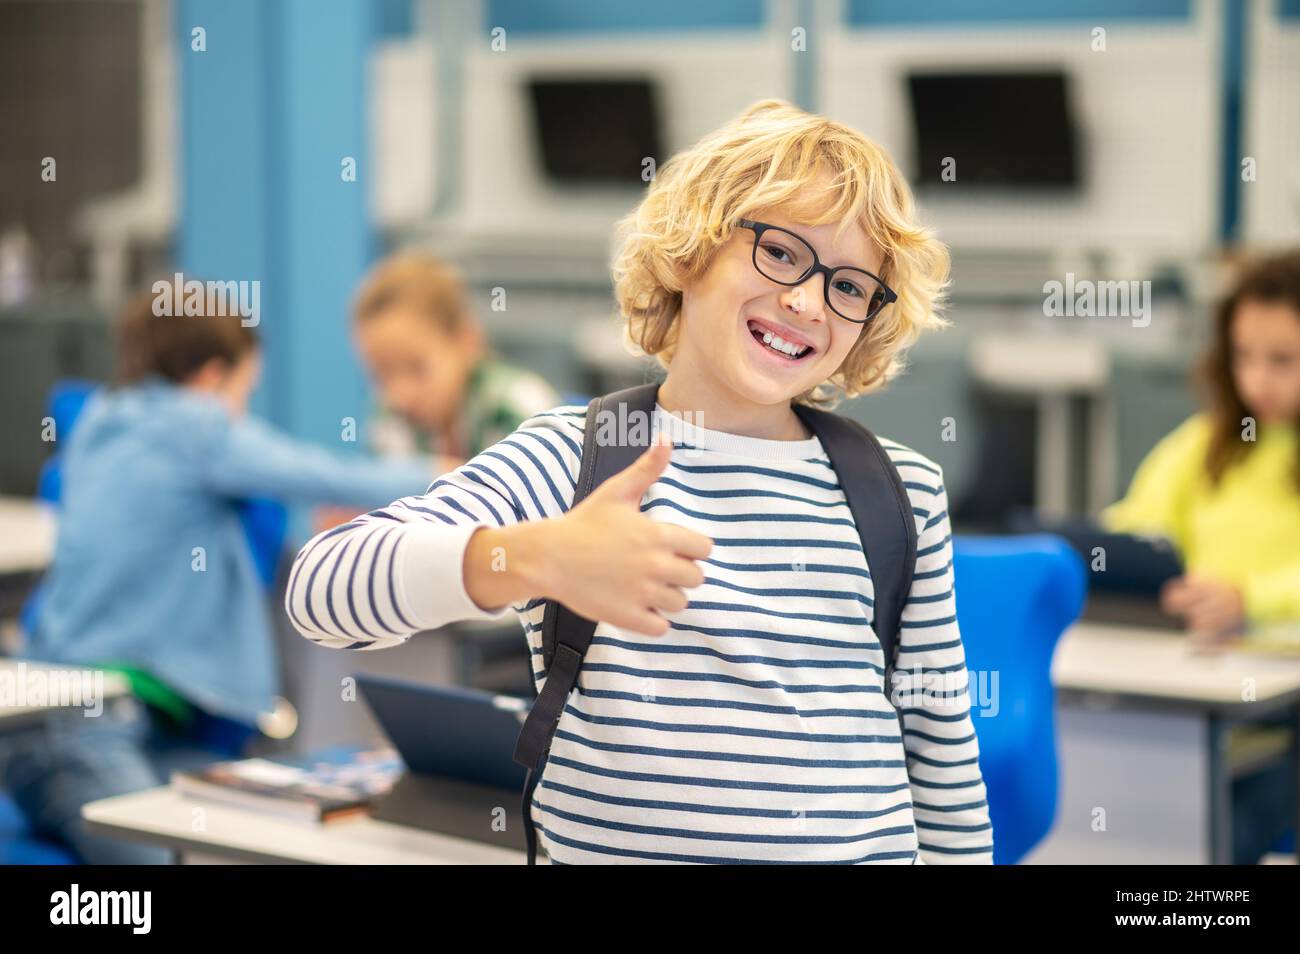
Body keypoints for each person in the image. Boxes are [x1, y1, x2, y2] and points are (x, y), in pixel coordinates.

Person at [286, 100, 994, 864]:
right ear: (690, 252)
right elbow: (323, 592)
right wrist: (533, 559)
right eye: (782, 253)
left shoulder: (899, 493)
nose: (807, 301)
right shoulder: (576, 460)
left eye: (850, 287)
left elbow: (940, 750)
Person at [4, 280, 432, 863]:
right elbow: (331, 475)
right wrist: (468, 470)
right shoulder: (195, 426)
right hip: (90, 726)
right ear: (210, 377)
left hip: (56, 717)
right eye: (241, 395)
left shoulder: (100, 422)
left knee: (227, 835)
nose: (238, 417)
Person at [1103, 250, 1300, 863]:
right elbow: (1133, 527)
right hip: (1202, 677)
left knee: (1219, 829)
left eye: (1282, 360)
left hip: (1284, 698)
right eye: (1242, 356)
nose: (1257, 379)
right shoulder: (1209, 442)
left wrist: (1249, 598)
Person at [351, 250, 559, 466]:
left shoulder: (518, 405)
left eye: (417, 368)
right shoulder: (390, 417)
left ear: (466, 341)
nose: (401, 394)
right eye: (381, 375)